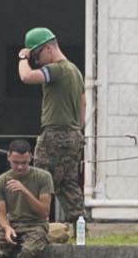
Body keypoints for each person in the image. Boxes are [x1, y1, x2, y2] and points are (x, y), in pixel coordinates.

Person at [16, 28, 86, 226]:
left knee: (38, 182)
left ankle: (28, 226)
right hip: (73, 135)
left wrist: (22, 57)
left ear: (48, 48)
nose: (36, 61)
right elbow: (83, 104)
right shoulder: (75, 71)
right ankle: (79, 228)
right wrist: (76, 131)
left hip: (55, 135)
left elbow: (27, 77)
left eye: (36, 56)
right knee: (68, 184)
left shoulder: (58, 69)